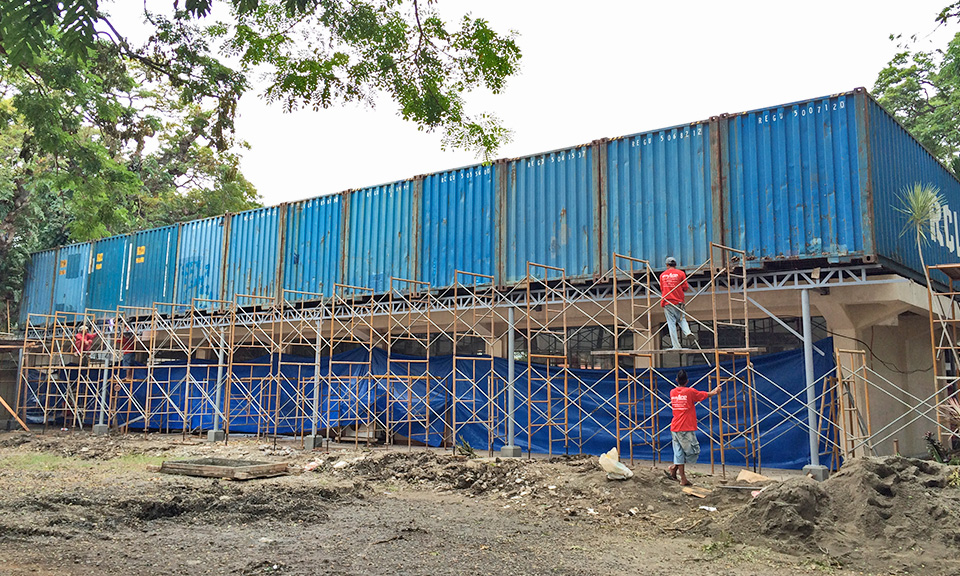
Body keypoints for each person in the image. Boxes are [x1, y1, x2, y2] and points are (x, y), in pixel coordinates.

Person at [666, 370, 721, 486]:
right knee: (693, 451)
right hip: (685, 427)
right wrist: (714, 392)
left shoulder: (672, 392)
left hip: (675, 426)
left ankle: (676, 471)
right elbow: (702, 395)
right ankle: (680, 474)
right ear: (687, 381)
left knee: (679, 452)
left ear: (676, 380)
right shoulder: (689, 392)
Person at [659, 256, 696, 350]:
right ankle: (688, 332)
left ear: (667, 265)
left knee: (671, 323)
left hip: (667, 301)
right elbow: (685, 287)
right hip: (679, 301)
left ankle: (676, 345)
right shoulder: (681, 273)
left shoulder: (662, 275)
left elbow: (662, 289)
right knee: (682, 319)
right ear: (675, 264)